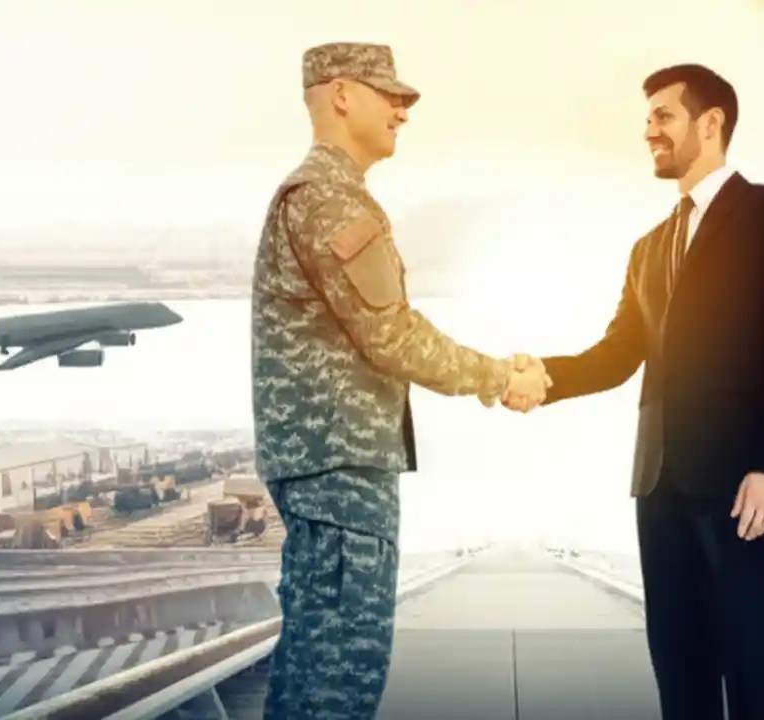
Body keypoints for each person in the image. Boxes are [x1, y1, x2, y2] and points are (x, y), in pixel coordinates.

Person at [250, 41, 550, 719]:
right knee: (337, 684)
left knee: (310, 674)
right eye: (388, 94)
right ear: (339, 94)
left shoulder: (326, 195)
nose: (402, 111)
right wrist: (500, 376)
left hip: (329, 471)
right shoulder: (329, 199)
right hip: (340, 476)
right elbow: (391, 334)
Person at [514, 64, 764, 719]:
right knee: (678, 663)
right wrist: (537, 377)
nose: (649, 130)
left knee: (754, 659)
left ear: (710, 124)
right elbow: (617, 356)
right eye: (648, 117)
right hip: (658, 483)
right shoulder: (647, 248)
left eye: (663, 116)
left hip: (741, 484)